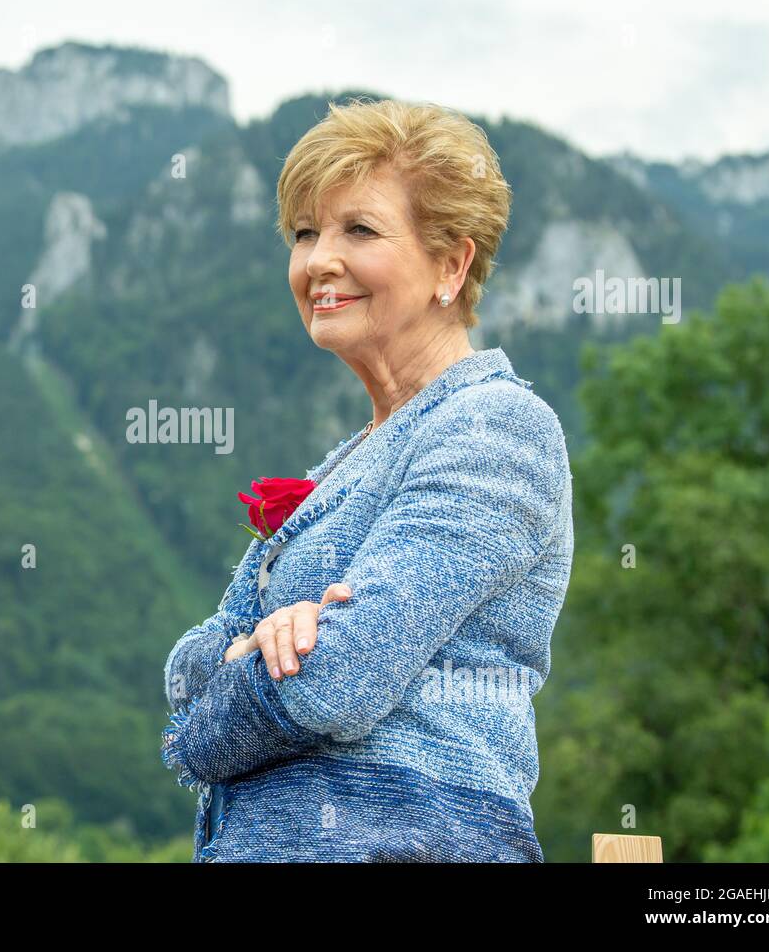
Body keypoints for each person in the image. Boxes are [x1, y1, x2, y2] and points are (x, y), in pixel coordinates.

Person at [162, 98, 573, 862]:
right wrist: (258, 645)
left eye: (359, 230)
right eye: (306, 233)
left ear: (451, 263)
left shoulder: (494, 427)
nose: (319, 260)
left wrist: (245, 658)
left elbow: (339, 677)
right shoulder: (346, 461)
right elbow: (185, 675)